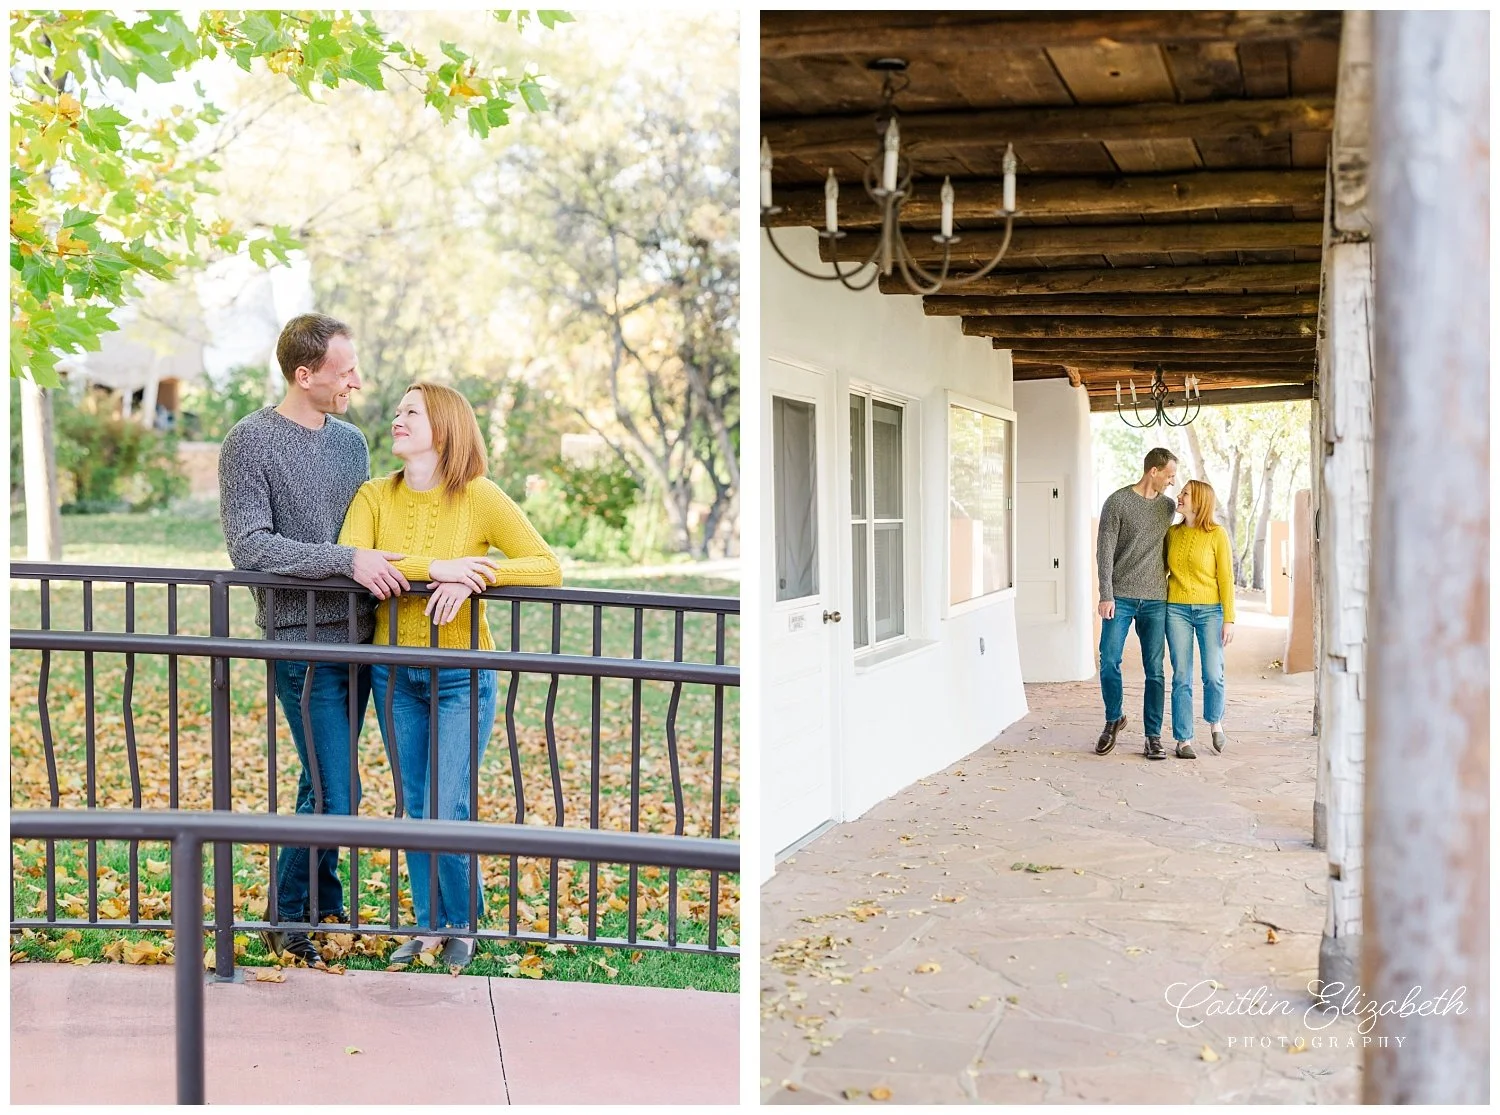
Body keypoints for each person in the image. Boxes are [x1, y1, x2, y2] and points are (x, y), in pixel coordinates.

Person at [339, 382, 562, 968]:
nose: (397, 418)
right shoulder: (372, 496)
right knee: (417, 804)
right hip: (393, 676)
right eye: (397, 411)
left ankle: (461, 923)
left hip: (463, 674)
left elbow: (546, 566)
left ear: (444, 426)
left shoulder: (480, 496)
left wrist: (476, 576)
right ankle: (427, 924)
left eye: (411, 411)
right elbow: (353, 558)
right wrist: (438, 567)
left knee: (448, 803)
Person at [219, 313, 411, 964]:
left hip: (359, 635)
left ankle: (322, 893)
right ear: (305, 375)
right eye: (344, 370)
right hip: (298, 639)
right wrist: (345, 560)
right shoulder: (249, 441)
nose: (356, 380)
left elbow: (370, 529)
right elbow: (250, 546)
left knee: (322, 781)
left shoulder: (351, 443)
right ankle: (285, 914)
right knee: (336, 790)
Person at [1095, 447, 1178, 761]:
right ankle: (1114, 717)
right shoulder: (1117, 503)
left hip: (1157, 599)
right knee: (1109, 660)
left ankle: (1152, 736)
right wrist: (1106, 594)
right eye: (1169, 475)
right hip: (1121, 597)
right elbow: (1104, 551)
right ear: (1153, 471)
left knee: (1155, 671)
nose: (1172, 481)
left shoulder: (1168, 507)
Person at [1165, 479, 1235, 759]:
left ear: (1200, 502)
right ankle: (1183, 739)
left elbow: (1226, 578)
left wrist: (1229, 618)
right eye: (1180, 492)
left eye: (1185, 494)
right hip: (1176, 610)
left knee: (1213, 674)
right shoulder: (1172, 533)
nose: (1179, 497)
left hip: (1211, 611)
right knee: (1181, 675)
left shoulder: (1217, 535)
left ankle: (1215, 722)